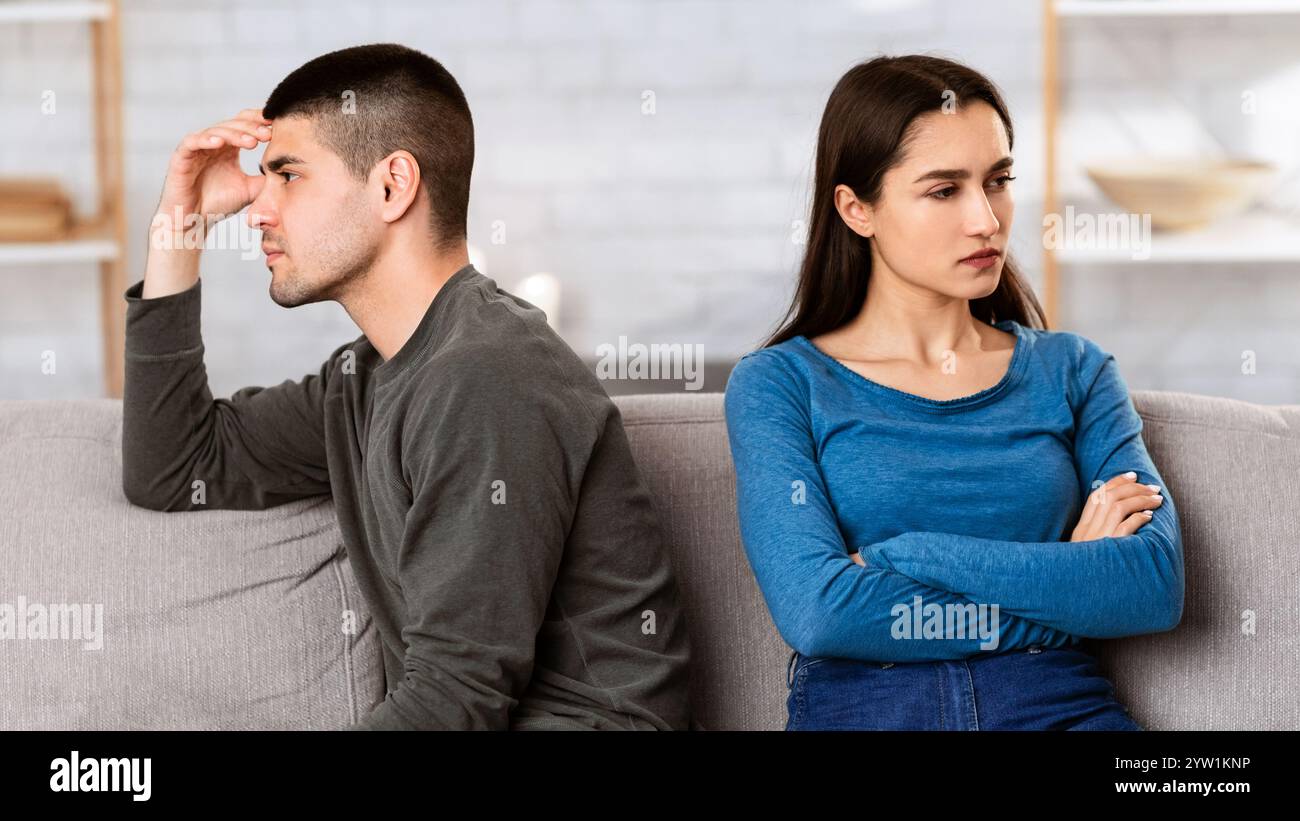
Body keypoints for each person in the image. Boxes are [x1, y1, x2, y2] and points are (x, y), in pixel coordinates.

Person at [121, 43, 691, 730]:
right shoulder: (362, 380)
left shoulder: (488, 373)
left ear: (393, 186)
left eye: (288, 175)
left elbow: (458, 698)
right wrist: (177, 227)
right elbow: (175, 466)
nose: (258, 211)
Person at [723, 54, 1184, 731]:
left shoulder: (1075, 371)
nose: (987, 220)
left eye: (998, 181)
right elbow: (819, 610)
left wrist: (902, 555)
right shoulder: (780, 385)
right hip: (868, 712)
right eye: (945, 190)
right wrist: (1066, 586)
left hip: (1062, 712)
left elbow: (1150, 586)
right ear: (857, 209)